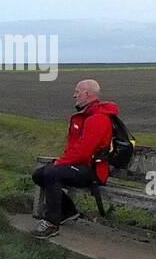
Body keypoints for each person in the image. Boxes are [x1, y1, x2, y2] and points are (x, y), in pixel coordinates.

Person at [31, 78, 121, 236]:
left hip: (93, 171)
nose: (74, 96)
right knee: (39, 174)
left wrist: (59, 163)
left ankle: (52, 223)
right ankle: (68, 211)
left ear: (87, 94)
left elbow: (83, 152)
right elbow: (75, 148)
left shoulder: (98, 119)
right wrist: (61, 163)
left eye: (77, 92)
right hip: (80, 166)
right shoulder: (87, 116)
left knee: (51, 173)